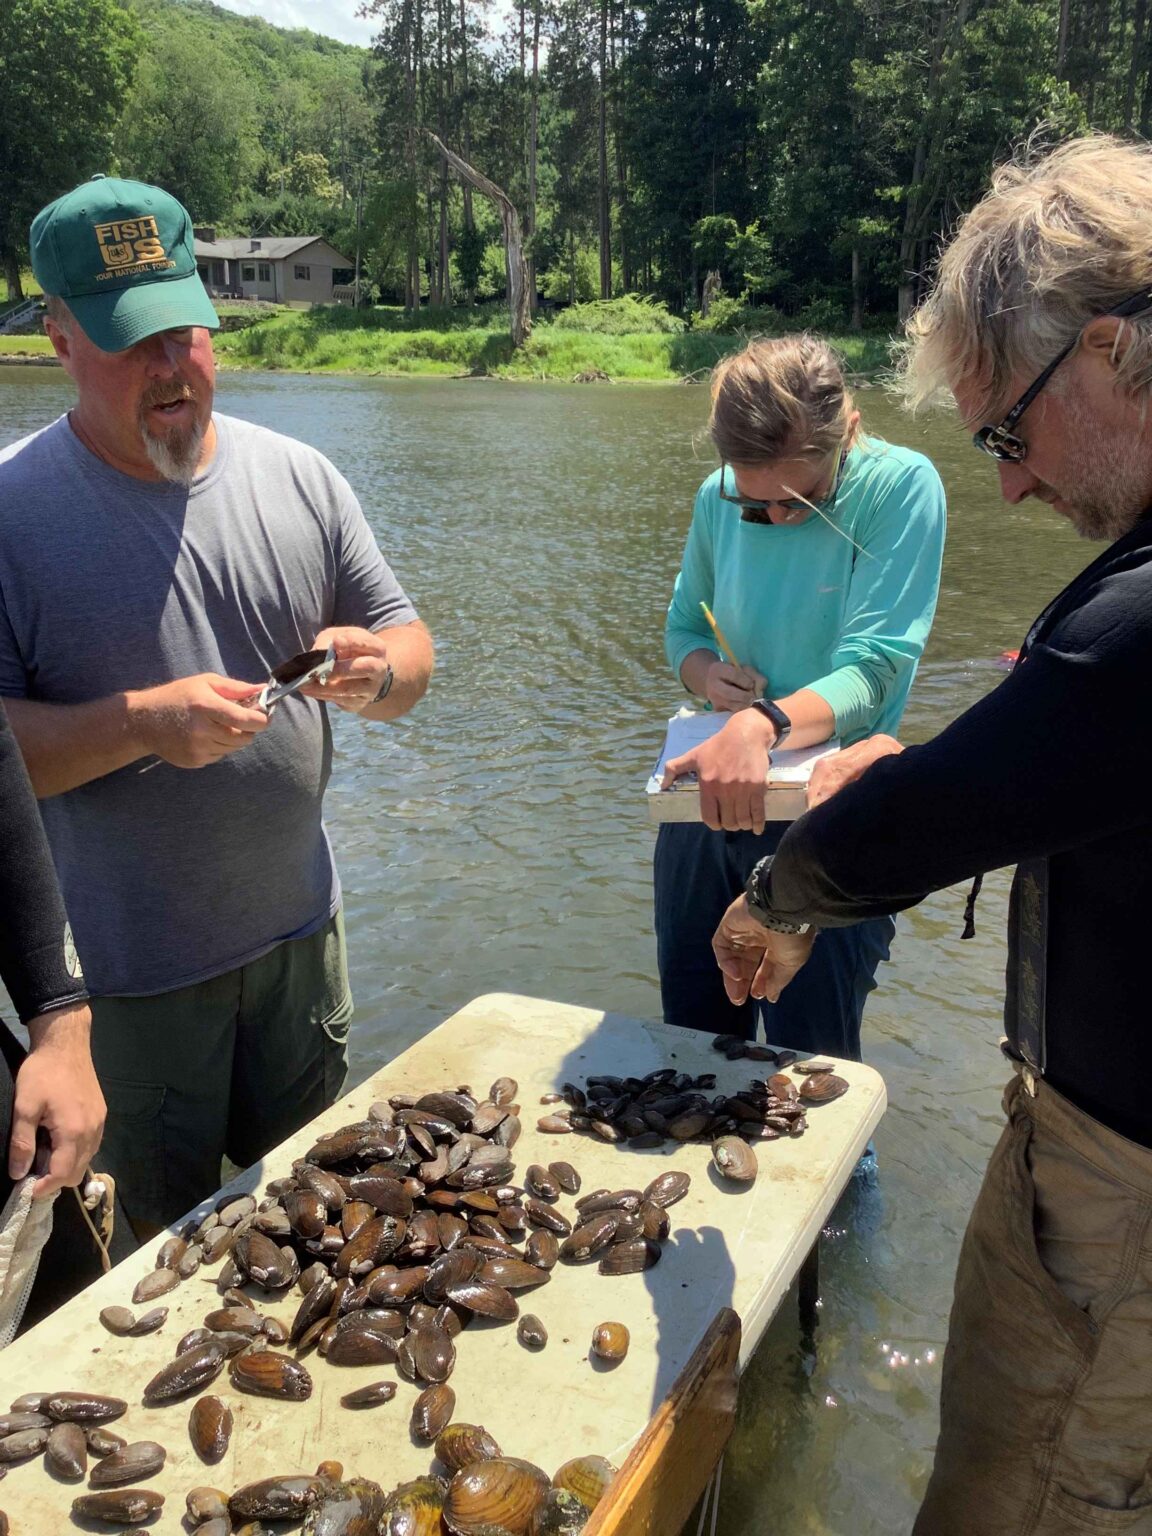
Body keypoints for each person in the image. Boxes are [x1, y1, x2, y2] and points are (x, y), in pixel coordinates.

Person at [711, 135, 1152, 1534]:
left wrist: (780, 893)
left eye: (1009, 434)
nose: (1009, 486)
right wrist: (941, 766)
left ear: (1107, 352)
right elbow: (1052, 764)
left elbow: (940, 814)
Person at [0, 174, 434, 1237]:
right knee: (155, 1263)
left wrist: (376, 672)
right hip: (125, 996)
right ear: (58, 337)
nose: (170, 365)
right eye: (130, 340)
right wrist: (144, 722)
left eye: (184, 331)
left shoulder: (303, 478)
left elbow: (412, 650)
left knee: (331, 1232)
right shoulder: (11, 513)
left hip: (300, 954)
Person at [655, 336, 946, 1059]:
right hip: (706, 802)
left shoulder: (900, 488)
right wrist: (705, 675)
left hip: (829, 813)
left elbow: (874, 668)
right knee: (691, 1047)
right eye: (754, 505)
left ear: (849, 433)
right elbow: (684, 629)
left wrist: (763, 723)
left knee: (812, 1062)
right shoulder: (714, 496)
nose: (778, 517)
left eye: (804, 501)